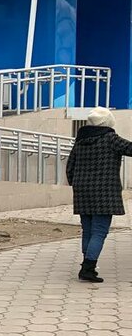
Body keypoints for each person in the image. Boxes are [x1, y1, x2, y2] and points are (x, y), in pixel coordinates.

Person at [66, 106, 132, 283]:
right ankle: (88, 268)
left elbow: (70, 166)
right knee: (99, 231)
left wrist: (77, 184)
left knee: (88, 230)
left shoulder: (80, 141)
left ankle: (87, 264)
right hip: (104, 193)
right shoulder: (110, 138)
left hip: (82, 192)